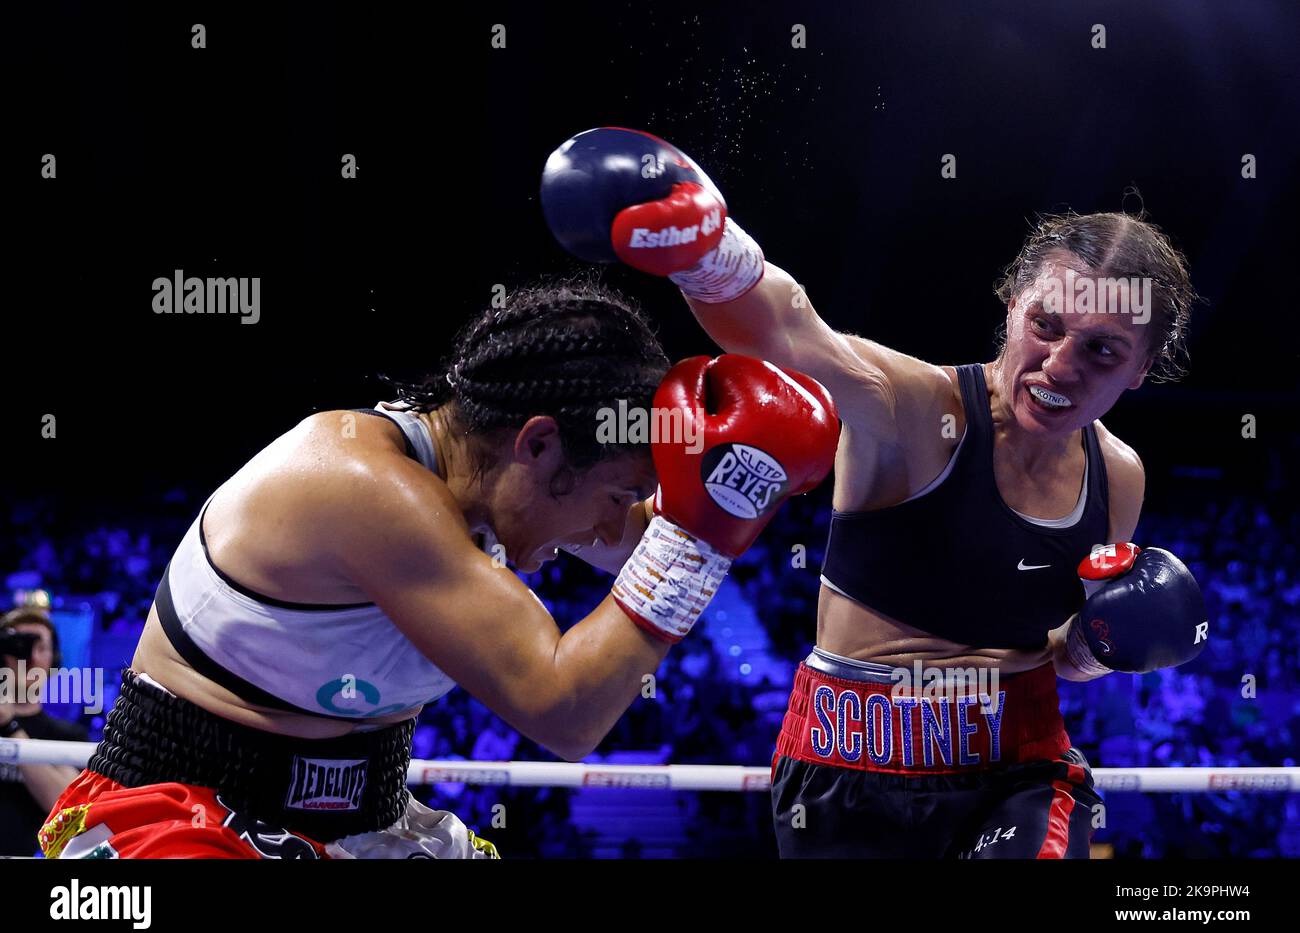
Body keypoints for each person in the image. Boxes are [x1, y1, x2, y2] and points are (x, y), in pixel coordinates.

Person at [541, 127, 1209, 858]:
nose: (1059, 365)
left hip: (1020, 769)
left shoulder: (1119, 475)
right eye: (1045, 325)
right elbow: (794, 330)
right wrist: (708, 250)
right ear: (1011, 305)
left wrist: (1103, 640)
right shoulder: (917, 410)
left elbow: (1065, 656)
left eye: (1102, 350)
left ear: (1141, 369)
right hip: (847, 768)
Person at [39, 278, 838, 859]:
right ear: (537, 443)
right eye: (619, 492)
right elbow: (565, 710)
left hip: (362, 826)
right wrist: (698, 537)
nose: (611, 523)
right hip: (177, 820)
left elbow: (642, 542)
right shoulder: (361, 484)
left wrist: (735, 488)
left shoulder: (495, 492)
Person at [0, 605, 89, 856]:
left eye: (39, 647)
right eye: (19, 646)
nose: (30, 658)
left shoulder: (69, 736)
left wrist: (10, 726)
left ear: (54, 660)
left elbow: (67, 810)